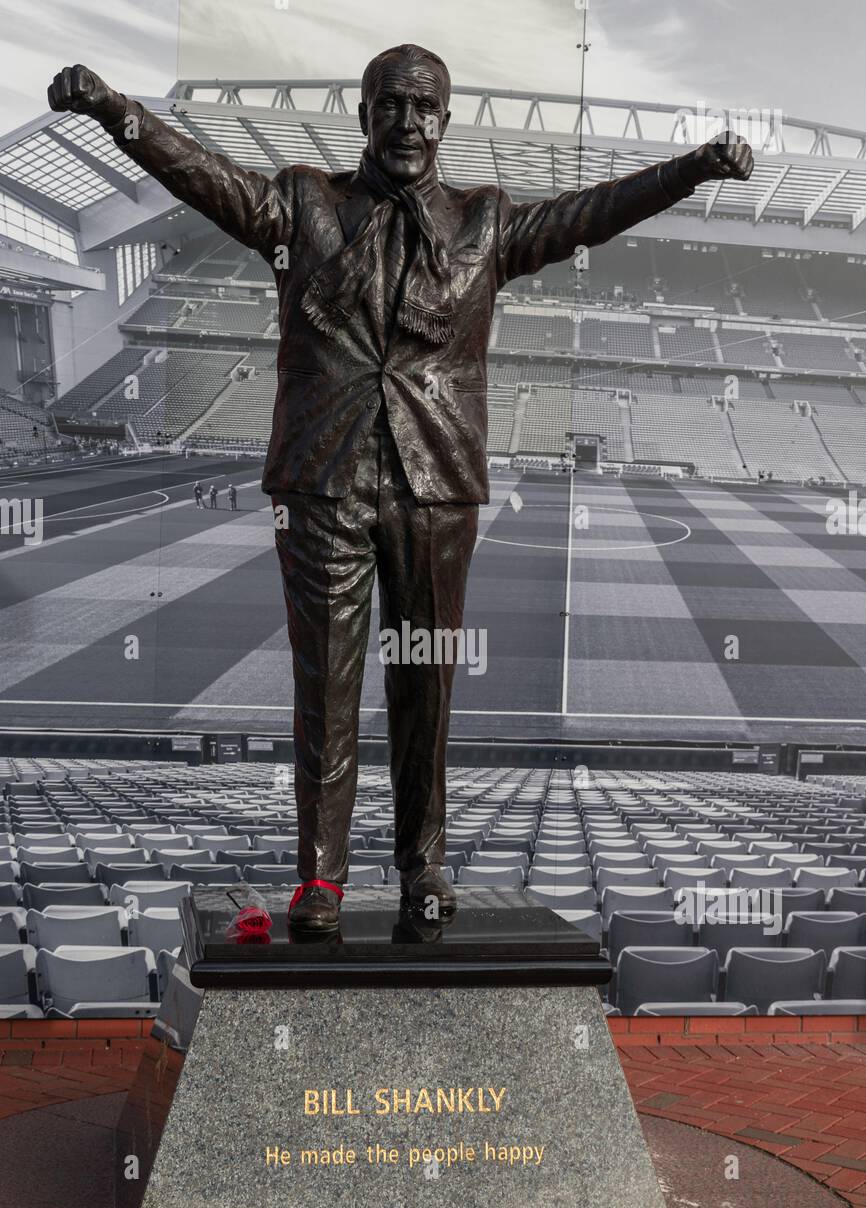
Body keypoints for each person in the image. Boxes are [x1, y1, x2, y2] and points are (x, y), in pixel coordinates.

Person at [48, 51, 753, 931]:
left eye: (426, 107)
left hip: (433, 486)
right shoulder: (304, 205)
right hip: (324, 483)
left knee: (425, 688)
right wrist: (120, 113)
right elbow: (208, 181)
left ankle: (424, 865)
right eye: (394, 105)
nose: (410, 123)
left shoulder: (487, 223)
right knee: (326, 687)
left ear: (446, 121)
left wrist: (689, 169)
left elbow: (590, 213)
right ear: (365, 114)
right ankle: (321, 880)